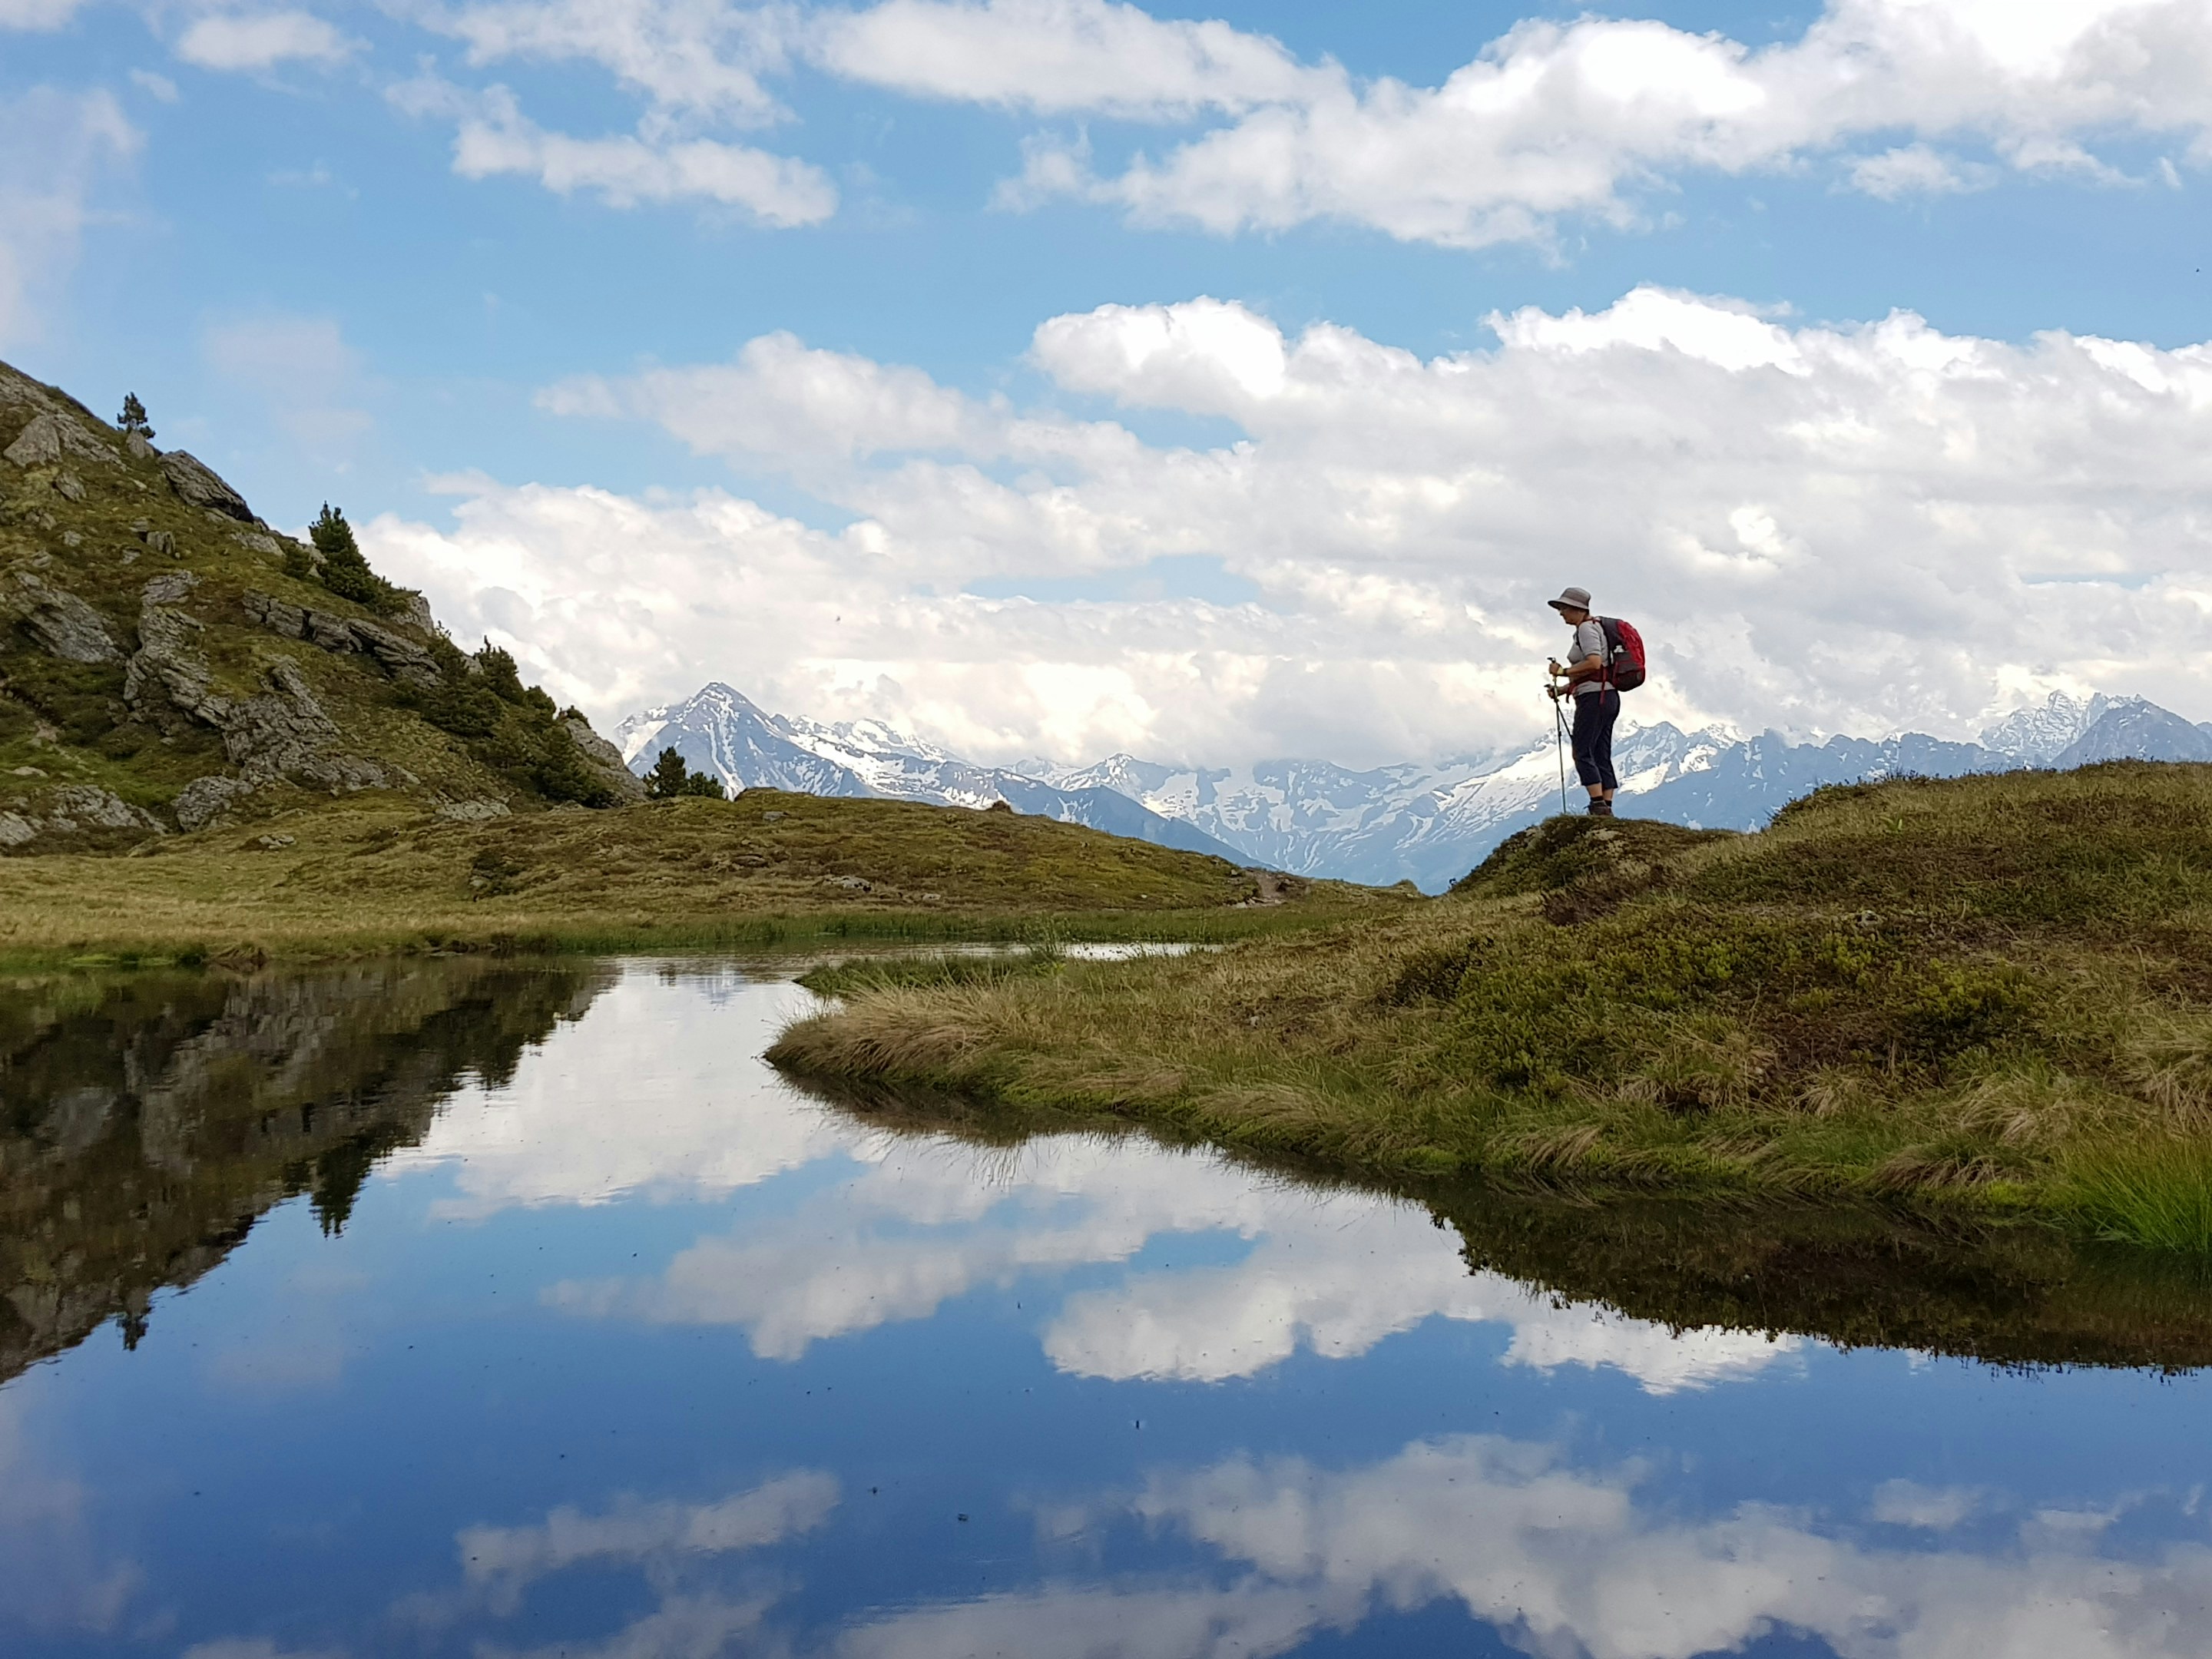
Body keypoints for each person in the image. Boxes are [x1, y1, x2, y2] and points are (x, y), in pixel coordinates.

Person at [1545, 585, 1617, 816]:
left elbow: (1594, 663)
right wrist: (1565, 689)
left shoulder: (1585, 630)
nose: (1561, 613)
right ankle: (1606, 806)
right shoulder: (1595, 627)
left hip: (1594, 698)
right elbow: (1599, 669)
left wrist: (1562, 672)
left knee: (1582, 750)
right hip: (1608, 696)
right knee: (1600, 751)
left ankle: (1597, 805)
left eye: (1563, 608)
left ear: (1577, 609)